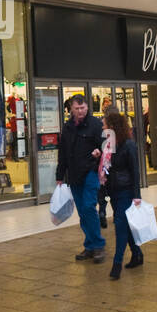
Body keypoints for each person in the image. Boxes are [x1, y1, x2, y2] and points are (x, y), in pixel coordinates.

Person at [56, 93, 106, 263]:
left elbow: (106, 147)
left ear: (87, 107)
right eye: (77, 108)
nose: (80, 111)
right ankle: (90, 245)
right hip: (74, 174)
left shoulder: (95, 124)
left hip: (91, 172)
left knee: (89, 206)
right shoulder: (67, 127)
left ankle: (98, 245)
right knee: (82, 211)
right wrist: (59, 175)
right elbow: (62, 152)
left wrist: (99, 153)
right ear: (71, 109)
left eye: (83, 108)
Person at [102, 109, 143, 279]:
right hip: (113, 191)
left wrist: (136, 195)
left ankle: (117, 263)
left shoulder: (129, 145)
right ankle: (137, 253)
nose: (102, 128)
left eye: (104, 125)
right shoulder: (108, 144)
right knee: (125, 225)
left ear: (113, 127)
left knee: (120, 225)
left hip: (126, 191)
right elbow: (106, 165)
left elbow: (135, 171)